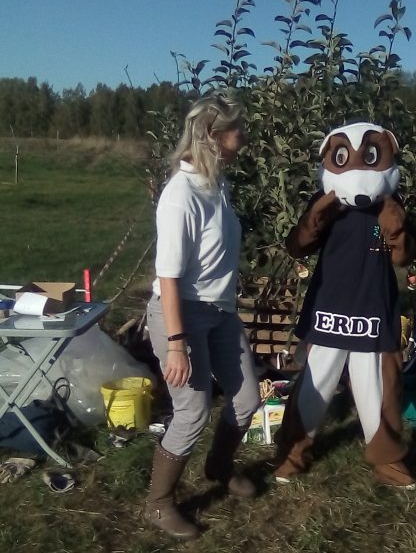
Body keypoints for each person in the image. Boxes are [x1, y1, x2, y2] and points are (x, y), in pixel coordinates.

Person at [272, 122, 416, 489]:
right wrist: (312, 222)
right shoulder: (326, 203)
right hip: (329, 306)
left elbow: (404, 258)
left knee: (376, 390)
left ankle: (388, 459)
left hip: (373, 307)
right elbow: (296, 247)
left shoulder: (391, 205)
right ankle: (293, 453)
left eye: (368, 157)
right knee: (315, 383)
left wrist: (396, 229)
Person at [142, 92, 260, 540]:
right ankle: (157, 505)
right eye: (237, 131)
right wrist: (176, 343)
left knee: (247, 399)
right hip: (181, 315)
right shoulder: (181, 196)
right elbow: (168, 278)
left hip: (221, 312)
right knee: (192, 413)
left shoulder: (218, 185)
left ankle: (218, 466)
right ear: (212, 136)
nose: (243, 138)